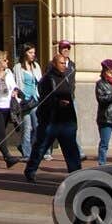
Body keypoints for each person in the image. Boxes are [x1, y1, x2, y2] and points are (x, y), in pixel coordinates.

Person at [24, 53, 82, 181]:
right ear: (54, 64)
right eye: (61, 63)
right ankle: (30, 170)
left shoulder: (66, 77)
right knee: (41, 147)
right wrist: (57, 103)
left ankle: (77, 173)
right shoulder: (47, 79)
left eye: (65, 63)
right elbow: (44, 99)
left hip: (67, 120)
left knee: (71, 149)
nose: (64, 66)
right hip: (50, 121)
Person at [13, 43, 43, 161]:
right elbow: (15, 84)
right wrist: (18, 97)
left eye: (34, 53)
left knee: (37, 127)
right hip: (24, 102)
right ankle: (27, 154)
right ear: (24, 53)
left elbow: (40, 82)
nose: (33, 55)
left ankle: (26, 147)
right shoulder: (18, 67)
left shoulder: (36, 66)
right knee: (27, 128)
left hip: (35, 100)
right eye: (30, 52)